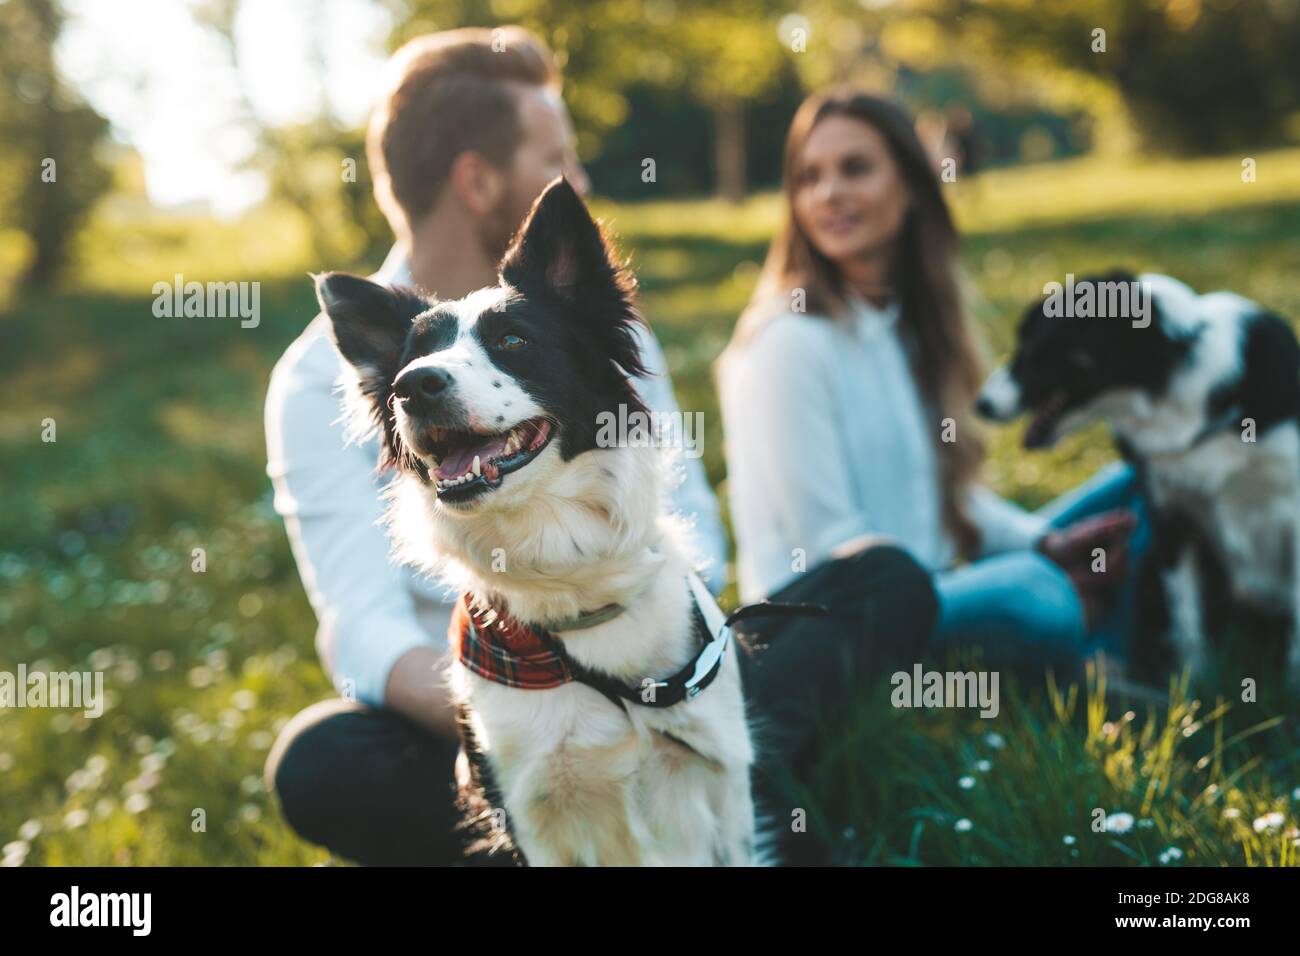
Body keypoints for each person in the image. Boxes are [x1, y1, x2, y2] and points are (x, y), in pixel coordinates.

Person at [263, 33, 936, 866]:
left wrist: (655, 690)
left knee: (879, 579)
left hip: (665, 658)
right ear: (478, 182)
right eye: (560, 162)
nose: (580, 184)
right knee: (321, 760)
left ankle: (715, 790)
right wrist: (533, 707)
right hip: (494, 721)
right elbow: (363, 631)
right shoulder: (321, 378)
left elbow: (693, 533)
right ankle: (676, 808)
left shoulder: (588, 330)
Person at [718, 89, 1145, 682]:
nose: (828, 193)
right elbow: (829, 555)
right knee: (1033, 597)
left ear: (912, 186)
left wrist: (1047, 543)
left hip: (942, 583)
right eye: (808, 177)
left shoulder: (907, 327)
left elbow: (951, 503)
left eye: (855, 169)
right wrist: (1015, 573)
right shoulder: (788, 343)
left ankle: (1114, 659)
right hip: (848, 619)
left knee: (1138, 484)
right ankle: (1090, 656)